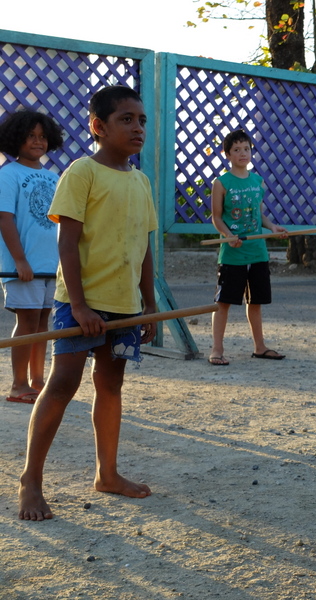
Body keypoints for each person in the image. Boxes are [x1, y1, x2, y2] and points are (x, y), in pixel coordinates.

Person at [18, 86, 158, 521]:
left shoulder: (141, 180)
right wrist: (79, 306)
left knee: (110, 385)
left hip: (125, 306)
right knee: (62, 384)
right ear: (98, 126)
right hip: (80, 303)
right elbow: (68, 242)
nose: (137, 128)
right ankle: (31, 480)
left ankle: (107, 473)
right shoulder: (83, 172)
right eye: (126, 119)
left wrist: (148, 303)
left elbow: (145, 244)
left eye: (141, 120)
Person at [209, 129, 288, 366]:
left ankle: (260, 347)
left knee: (256, 302)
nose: (243, 153)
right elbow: (216, 217)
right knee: (223, 303)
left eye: (246, 148)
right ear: (228, 154)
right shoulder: (221, 182)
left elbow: (258, 214)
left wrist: (272, 227)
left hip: (257, 252)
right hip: (233, 254)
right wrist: (229, 235)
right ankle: (216, 349)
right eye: (236, 150)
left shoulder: (257, 181)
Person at [0, 109, 63, 404]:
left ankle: (38, 381)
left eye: (42, 136)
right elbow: (5, 219)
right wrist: (20, 261)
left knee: (42, 322)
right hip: (23, 266)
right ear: (16, 139)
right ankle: (18, 384)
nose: (38, 141)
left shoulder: (53, 177)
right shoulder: (8, 174)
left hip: (51, 265)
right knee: (26, 323)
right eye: (30, 136)